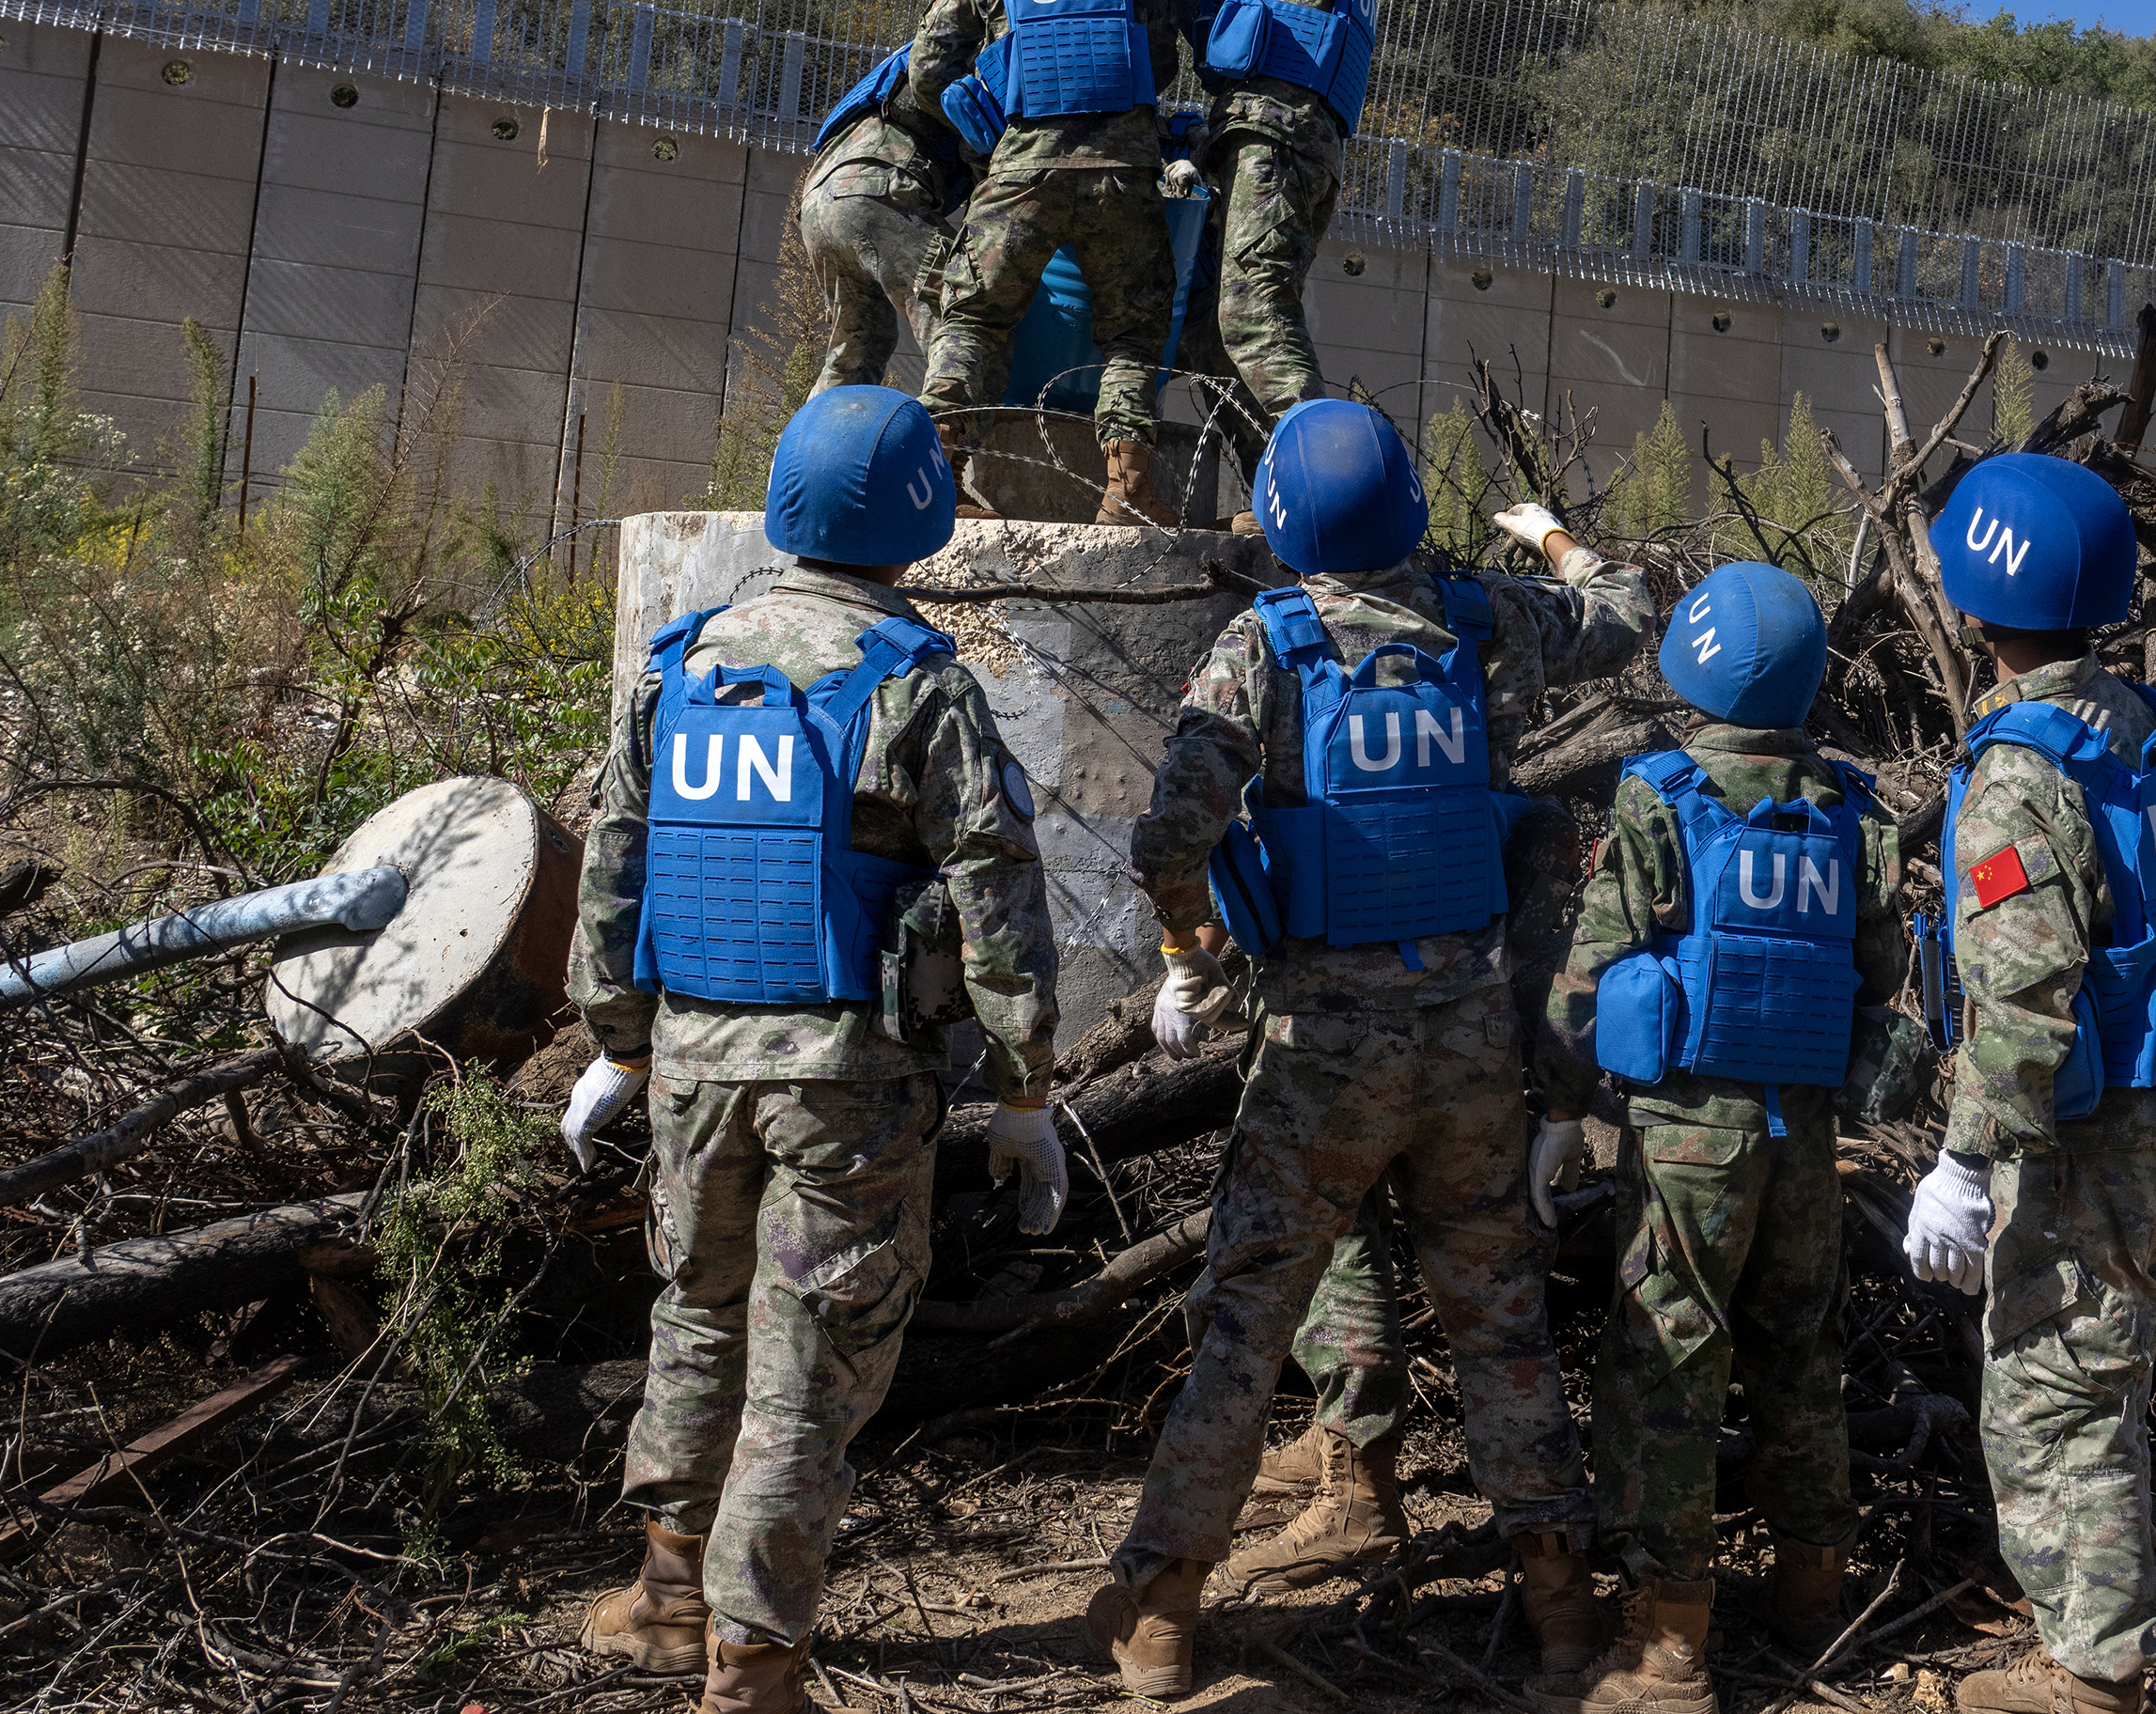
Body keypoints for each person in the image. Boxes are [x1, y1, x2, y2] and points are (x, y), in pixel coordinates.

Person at [1083, 400, 1652, 1699]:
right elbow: (1625, 612)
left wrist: (1188, 958)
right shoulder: (1486, 617)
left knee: (1244, 1320)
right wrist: (1555, 537)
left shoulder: (1264, 642)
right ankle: (1565, 1611)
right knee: (1500, 1319)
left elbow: (1169, 836)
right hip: (1470, 1040)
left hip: (1321, 1050)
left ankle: (1162, 1613)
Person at [560, 384, 1070, 1714]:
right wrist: (1024, 1087)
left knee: (695, 1309)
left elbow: (615, 865)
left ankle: (666, 1594)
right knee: (807, 1367)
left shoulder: (679, 667)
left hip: (694, 1063)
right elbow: (998, 896)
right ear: (920, 519)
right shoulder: (919, 683)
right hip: (848, 1081)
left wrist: (618, 1042)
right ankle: (753, 1670)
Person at [1524, 564, 1912, 1714]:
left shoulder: (1663, 796)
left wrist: (1559, 1106)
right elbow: (1882, 973)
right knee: (1802, 1347)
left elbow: (1590, 970)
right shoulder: (1853, 805)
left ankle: (1668, 1644)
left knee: (1669, 1362)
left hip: (1691, 1134)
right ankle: (1813, 1594)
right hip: (1807, 1133)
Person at [1898, 452, 2156, 1714]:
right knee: (2104, 1376)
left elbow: (2023, 1009)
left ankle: (2095, 1682)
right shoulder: (2135, 725)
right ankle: (2098, 1653)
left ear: (1975, 602)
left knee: (2053, 1400)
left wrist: (1960, 1161)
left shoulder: (2018, 778)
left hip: (2089, 1140)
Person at [903, 0, 1182, 524]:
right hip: (1123, 175)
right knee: (1132, 332)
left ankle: (940, 475)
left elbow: (926, 68)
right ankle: (1126, 492)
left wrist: (979, 120)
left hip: (1022, 168)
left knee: (974, 315)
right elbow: (1162, 59)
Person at [1127, 0, 1377, 502]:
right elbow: (1228, 25)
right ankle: (1278, 490)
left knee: (1254, 312)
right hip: (1307, 150)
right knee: (1215, 334)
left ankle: (1323, 486)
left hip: (1274, 140)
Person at [794, 44, 1000, 396]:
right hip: (877, 191)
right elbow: (987, 152)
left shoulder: (927, 50)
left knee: (855, 353)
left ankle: (819, 430)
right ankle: (956, 426)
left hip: (818, 203)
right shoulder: (987, 56)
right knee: (964, 320)